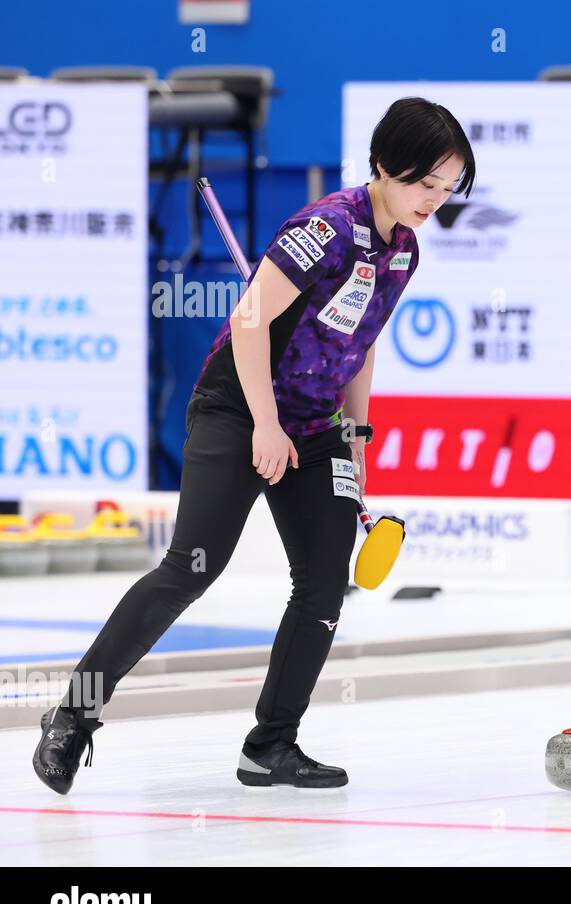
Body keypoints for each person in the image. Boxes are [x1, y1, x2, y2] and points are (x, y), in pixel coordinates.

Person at [33, 98, 476, 794]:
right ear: (388, 165)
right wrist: (265, 425)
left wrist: (357, 434)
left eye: (449, 190)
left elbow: (361, 345)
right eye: (427, 184)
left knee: (326, 583)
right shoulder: (324, 227)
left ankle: (271, 744)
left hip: (314, 420)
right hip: (239, 408)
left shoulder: (403, 252)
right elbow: (248, 321)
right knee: (191, 568)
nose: (436, 201)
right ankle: (72, 717)